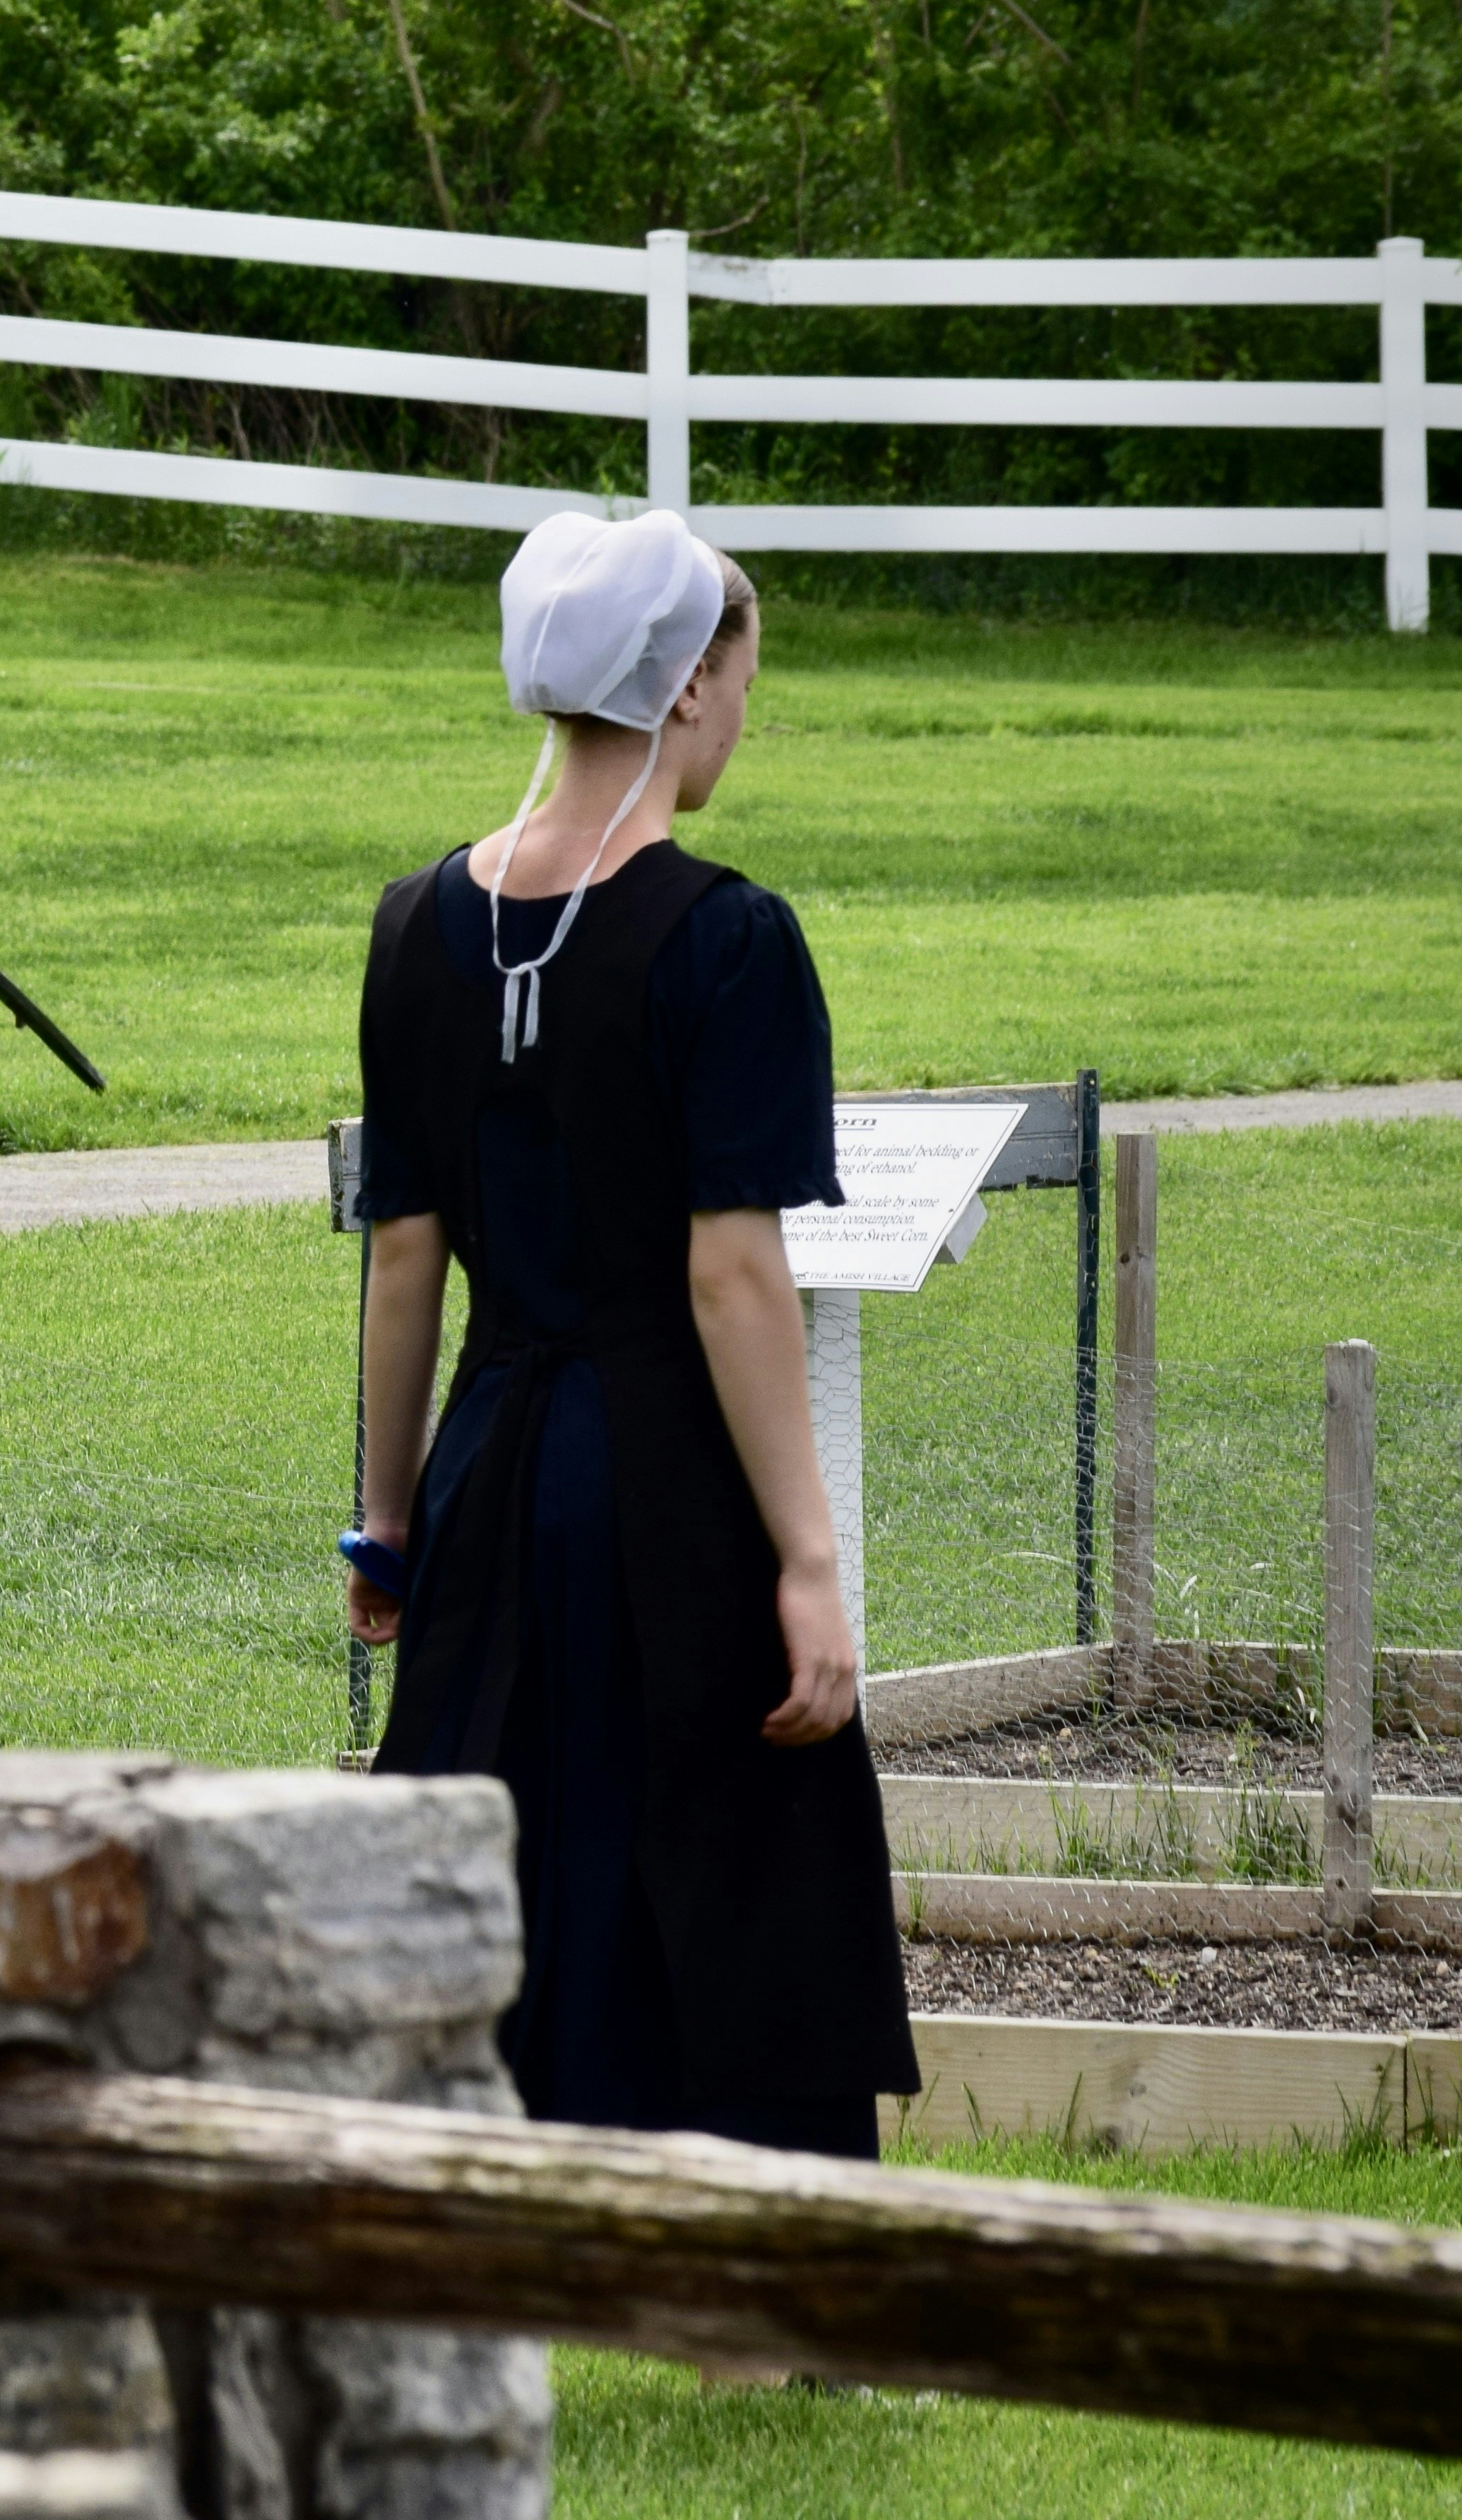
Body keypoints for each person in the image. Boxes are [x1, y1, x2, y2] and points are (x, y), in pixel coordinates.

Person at [340, 510, 915, 2156]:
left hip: (495, 1467)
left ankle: (478, 2198)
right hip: (671, 1468)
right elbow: (733, 1274)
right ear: (683, 690)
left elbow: (403, 1258)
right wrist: (809, 1558)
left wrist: (389, 1523)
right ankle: (758, 2259)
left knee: (500, 1839)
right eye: (742, 678)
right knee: (742, 1840)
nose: (745, 713)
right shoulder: (728, 938)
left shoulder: (415, 927)